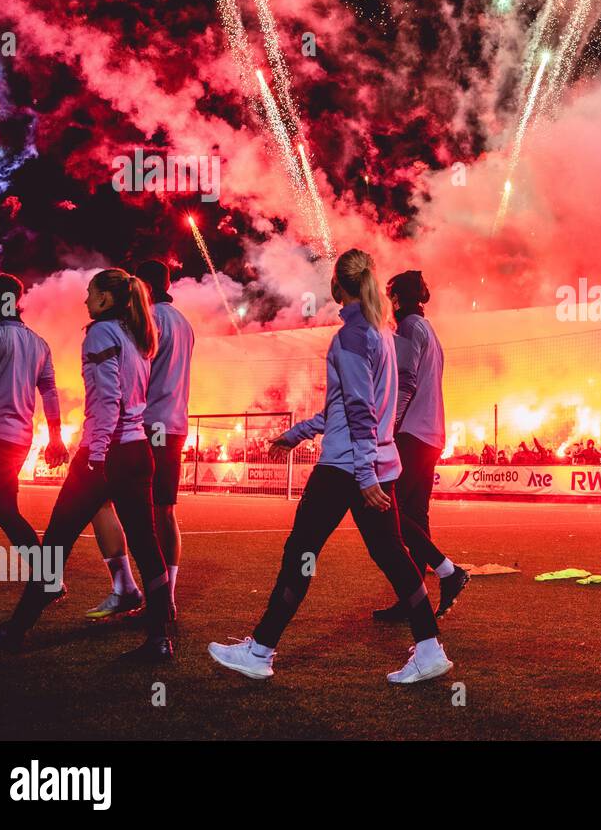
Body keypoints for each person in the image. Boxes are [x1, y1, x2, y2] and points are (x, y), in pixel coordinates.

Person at [207, 250, 451, 684]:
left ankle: (261, 651)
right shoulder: (378, 332)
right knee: (391, 555)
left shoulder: (354, 337)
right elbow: (345, 408)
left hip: (346, 468)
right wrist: (297, 432)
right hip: (371, 463)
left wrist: (363, 474)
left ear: (338, 286)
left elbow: (358, 410)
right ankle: (430, 648)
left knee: (301, 554)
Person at [0, 269, 175, 661]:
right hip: (137, 451)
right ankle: (159, 639)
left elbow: (108, 399)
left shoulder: (100, 333)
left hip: (106, 454)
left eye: (90, 293)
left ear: (106, 299)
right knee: (147, 547)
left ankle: (15, 632)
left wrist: (95, 455)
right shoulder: (136, 335)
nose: (84, 300)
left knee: (56, 543)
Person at [86, 260, 194, 619]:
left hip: (142, 427)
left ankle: (125, 588)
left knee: (98, 501)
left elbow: (133, 375)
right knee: (164, 512)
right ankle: (167, 600)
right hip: (175, 425)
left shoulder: (150, 320)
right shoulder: (185, 323)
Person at [0, 273, 69, 604]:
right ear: (17, 302)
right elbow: (49, 391)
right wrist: (55, 437)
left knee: (2, 510)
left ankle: (49, 578)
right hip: (20, 438)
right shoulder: (38, 343)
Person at [371, 271, 469, 624]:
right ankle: (415, 600)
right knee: (415, 515)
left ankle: (447, 571)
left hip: (411, 433)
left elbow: (407, 379)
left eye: (388, 295)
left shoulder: (409, 327)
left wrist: (390, 426)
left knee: (390, 514)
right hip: (430, 434)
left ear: (396, 298)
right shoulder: (429, 330)